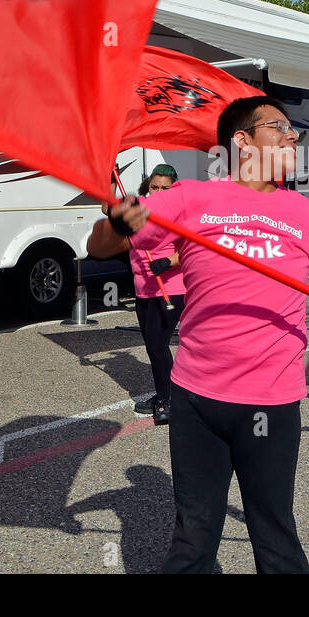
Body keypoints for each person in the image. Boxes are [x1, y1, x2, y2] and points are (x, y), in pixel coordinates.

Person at [87, 96, 309, 572]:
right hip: (195, 398)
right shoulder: (190, 198)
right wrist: (116, 222)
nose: (293, 136)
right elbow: (102, 245)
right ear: (242, 141)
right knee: (193, 539)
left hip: (271, 400)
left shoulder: (305, 213)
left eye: (294, 130)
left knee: (274, 537)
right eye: (279, 127)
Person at [129, 164, 184, 426]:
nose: (158, 192)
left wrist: (168, 262)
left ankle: (167, 400)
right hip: (144, 288)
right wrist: (107, 176)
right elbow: (108, 208)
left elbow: (192, 249)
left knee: (157, 345)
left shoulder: (180, 214)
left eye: (165, 187)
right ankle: (164, 392)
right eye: (154, 187)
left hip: (171, 289)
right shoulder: (139, 208)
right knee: (152, 346)